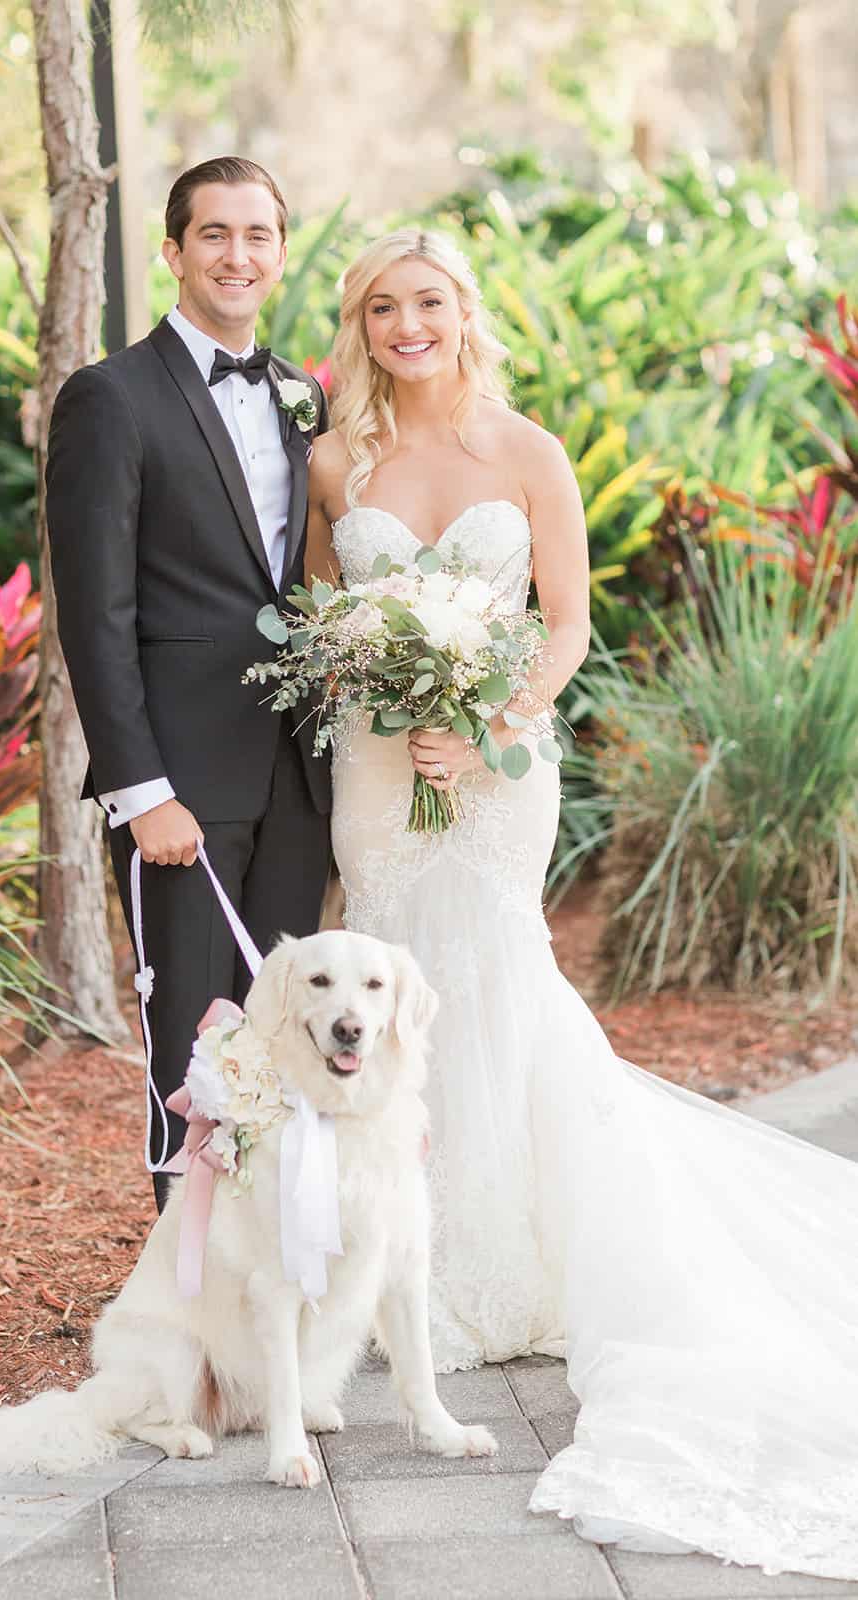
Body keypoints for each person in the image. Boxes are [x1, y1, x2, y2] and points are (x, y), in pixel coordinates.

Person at [305, 227, 858, 1580]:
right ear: (361, 323)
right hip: (378, 763)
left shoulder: (525, 452)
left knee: (492, 977)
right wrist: (386, 696)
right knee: (383, 982)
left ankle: (511, 1263)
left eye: (426, 302)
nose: (406, 325)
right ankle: (393, 1253)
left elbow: (562, 622)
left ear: (461, 311)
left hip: (496, 766)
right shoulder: (335, 461)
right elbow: (323, 617)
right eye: (382, 307)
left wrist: (485, 717)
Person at [47, 157, 331, 1207]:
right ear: (171, 251)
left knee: (280, 1029)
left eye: (258, 235)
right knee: (192, 1040)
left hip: (296, 775)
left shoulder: (300, 394)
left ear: (281, 252)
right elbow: (94, 611)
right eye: (213, 234)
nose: (237, 256)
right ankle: (189, 1286)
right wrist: (139, 787)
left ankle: (269, 1263)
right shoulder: (109, 399)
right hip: (179, 788)